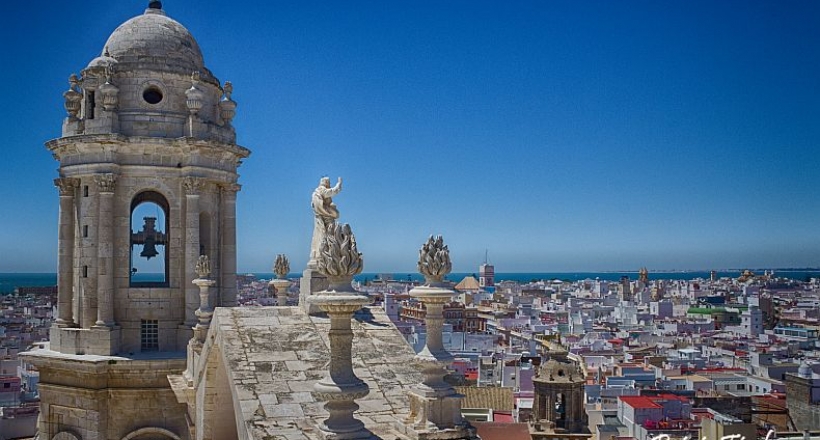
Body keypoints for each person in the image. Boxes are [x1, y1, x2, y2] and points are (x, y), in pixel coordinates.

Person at [309, 176, 342, 267]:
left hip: (320, 219)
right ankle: (323, 255)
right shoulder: (321, 190)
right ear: (326, 183)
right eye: (329, 182)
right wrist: (338, 184)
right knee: (324, 236)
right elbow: (332, 192)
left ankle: (318, 255)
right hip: (325, 219)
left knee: (319, 236)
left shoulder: (316, 192)